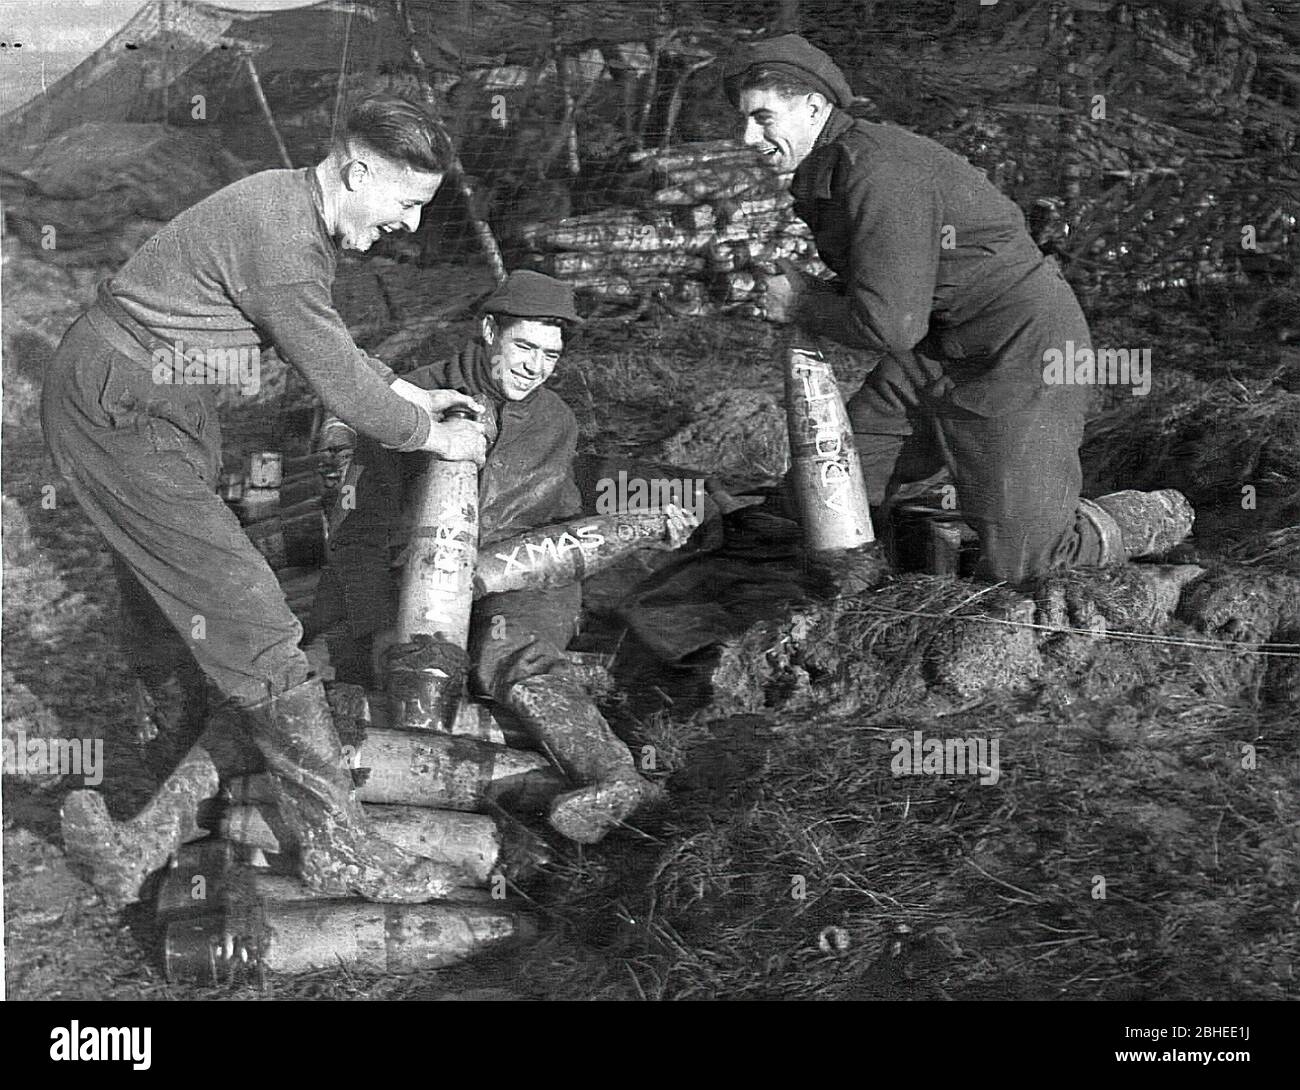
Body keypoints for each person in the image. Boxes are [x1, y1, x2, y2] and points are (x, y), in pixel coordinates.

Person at [45, 94, 489, 907]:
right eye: (407, 202)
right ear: (357, 170)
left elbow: (321, 342)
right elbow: (338, 382)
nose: (413, 227)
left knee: (169, 598)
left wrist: (415, 396)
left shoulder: (287, 201)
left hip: (150, 391)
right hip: (122, 402)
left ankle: (150, 827)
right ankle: (339, 848)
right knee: (252, 615)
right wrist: (432, 435)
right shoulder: (286, 239)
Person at [722, 35, 1193, 586]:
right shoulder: (829, 165)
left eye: (762, 117)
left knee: (1028, 567)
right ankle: (904, 560)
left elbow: (888, 324)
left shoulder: (876, 172)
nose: (748, 137)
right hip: (935, 353)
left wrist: (802, 300)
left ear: (814, 107)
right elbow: (893, 281)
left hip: (1020, 351)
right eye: (744, 120)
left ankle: (1142, 519)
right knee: (816, 503)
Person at [309, 270, 699, 844]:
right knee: (325, 660)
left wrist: (638, 528)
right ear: (489, 330)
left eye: (550, 354)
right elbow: (357, 531)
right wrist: (374, 626)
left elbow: (553, 526)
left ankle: (614, 777)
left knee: (509, 648)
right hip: (407, 575)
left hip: (515, 577)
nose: (534, 367)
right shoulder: (410, 398)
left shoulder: (553, 421)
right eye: (523, 346)